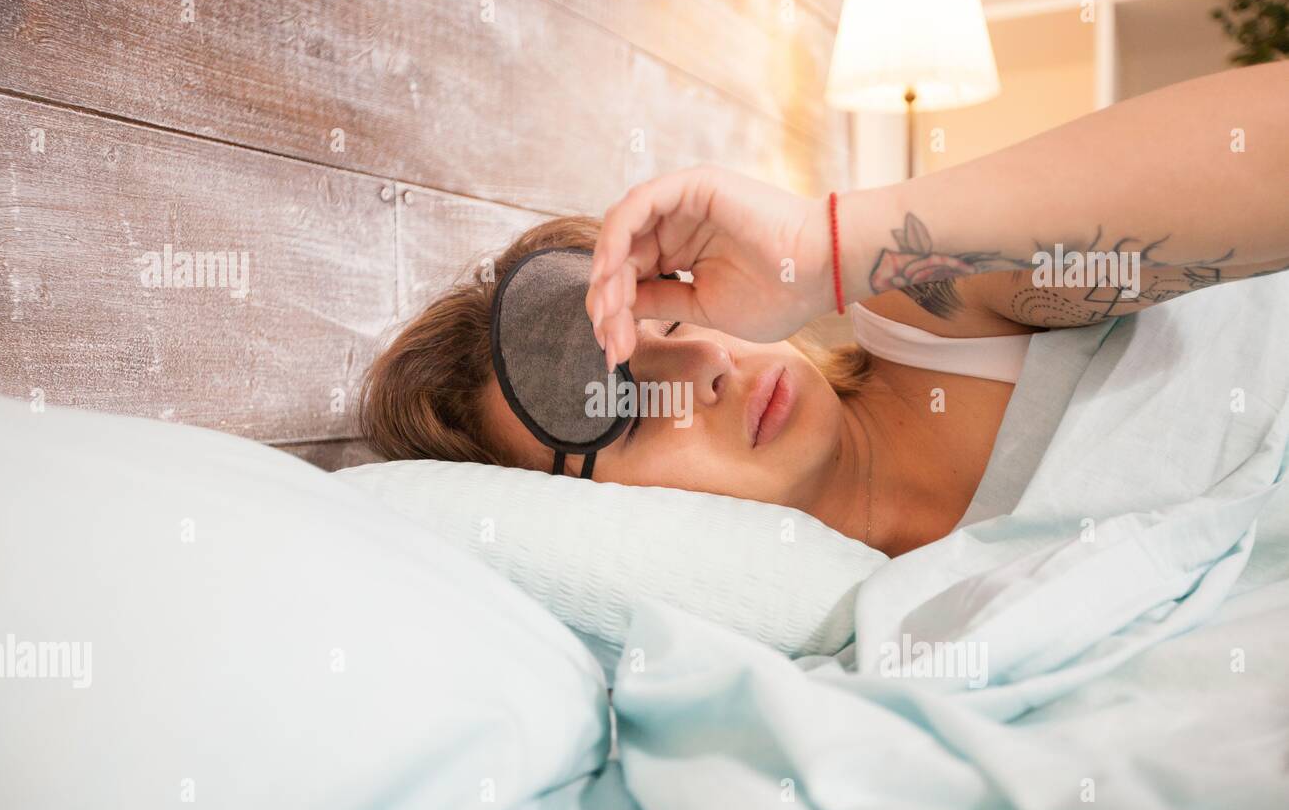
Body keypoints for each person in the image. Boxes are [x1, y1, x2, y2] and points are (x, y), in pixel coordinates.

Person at [360, 62, 1289, 556]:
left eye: (673, 321)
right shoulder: (839, 655)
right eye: (625, 412)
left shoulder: (927, 308)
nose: (704, 370)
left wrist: (827, 248)